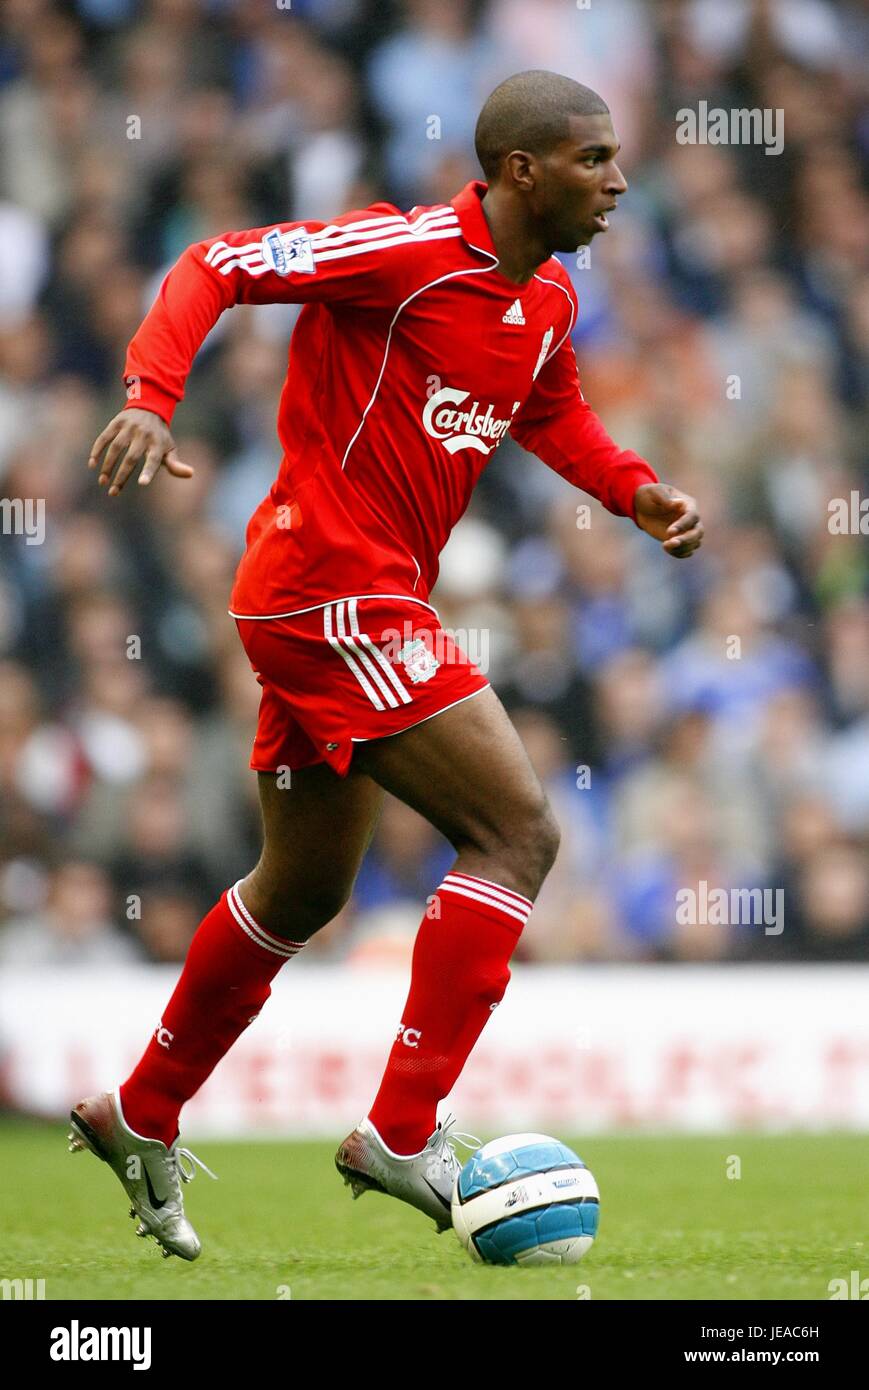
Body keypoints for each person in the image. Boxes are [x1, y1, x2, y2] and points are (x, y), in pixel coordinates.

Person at [71, 70, 703, 1261]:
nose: (619, 180)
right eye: (593, 159)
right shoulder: (404, 251)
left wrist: (633, 489)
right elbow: (216, 261)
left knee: (301, 888)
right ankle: (400, 1130)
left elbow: (549, 412)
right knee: (519, 831)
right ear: (522, 170)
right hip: (328, 588)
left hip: (349, 600)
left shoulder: (549, 297)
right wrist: (152, 396)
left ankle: (141, 1108)